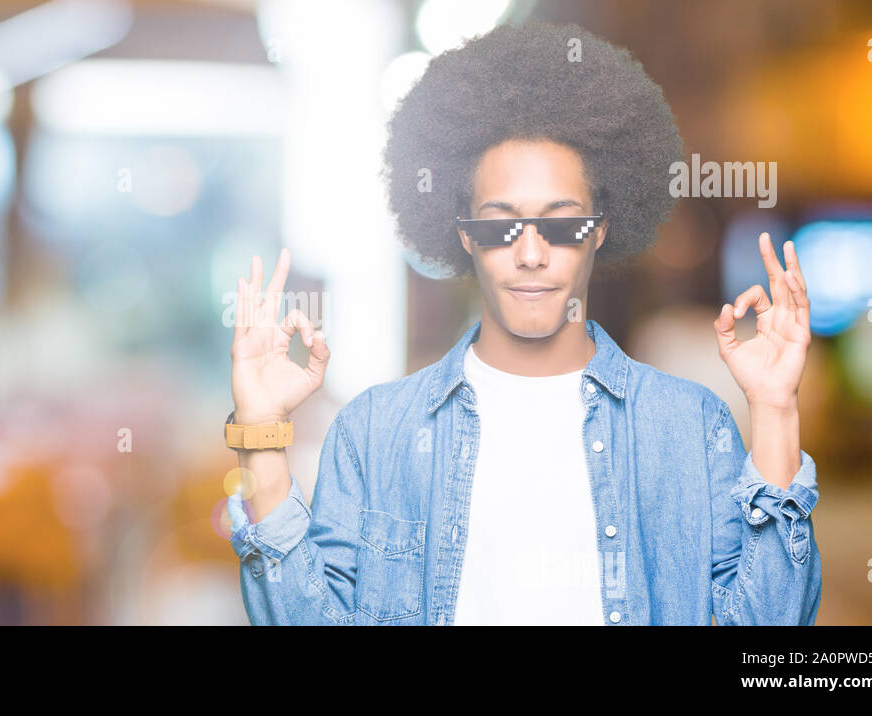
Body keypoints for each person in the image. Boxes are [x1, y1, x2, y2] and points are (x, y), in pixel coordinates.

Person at [224, 20, 819, 625]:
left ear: (602, 230)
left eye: (561, 225)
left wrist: (775, 409)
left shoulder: (689, 427)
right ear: (464, 235)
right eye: (500, 225)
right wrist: (261, 431)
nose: (531, 253)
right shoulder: (375, 433)